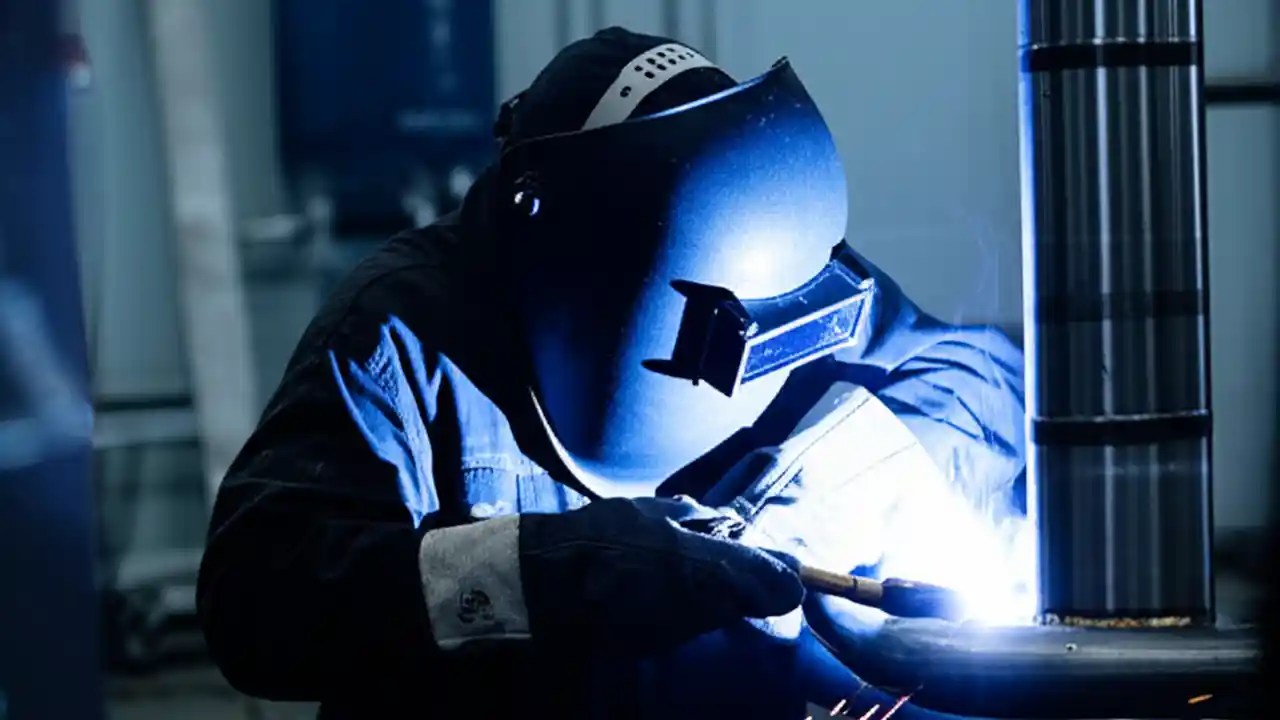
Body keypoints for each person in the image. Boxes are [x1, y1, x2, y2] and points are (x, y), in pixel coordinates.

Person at [197, 27, 1027, 719]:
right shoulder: (402, 339)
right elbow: (259, 604)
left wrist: (801, 502)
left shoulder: (769, 262)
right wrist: (550, 570)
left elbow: (983, 378)